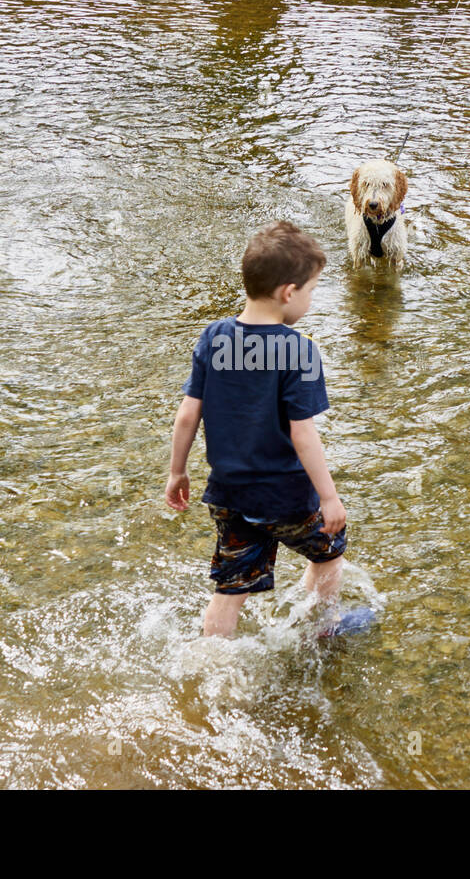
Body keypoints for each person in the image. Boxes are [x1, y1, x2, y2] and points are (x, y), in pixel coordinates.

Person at [165, 221, 347, 637]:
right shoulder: (298, 350)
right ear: (288, 292)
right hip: (285, 496)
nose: (311, 299)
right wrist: (329, 497)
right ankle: (320, 630)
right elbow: (303, 435)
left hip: (228, 493)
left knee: (230, 588)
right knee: (328, 552)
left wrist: (177, 472)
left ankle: (213, 668)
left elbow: (187, 415)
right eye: (312, 290)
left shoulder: (213, 338)